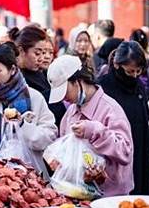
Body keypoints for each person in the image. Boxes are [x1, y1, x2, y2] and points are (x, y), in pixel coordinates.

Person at [48, 55, 134, 196]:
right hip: (78, 194)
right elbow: (65, 147)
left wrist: (95, 131)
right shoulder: (70, 112)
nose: (64, 98)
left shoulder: (110, 109)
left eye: (65, 91)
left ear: (78, 81)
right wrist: (58, 160)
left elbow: (125, 152)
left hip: (110, 197)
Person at [98, 41, 149, 195]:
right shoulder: (103, 88)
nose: (134, 76)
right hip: (115, 156)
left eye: (138, 71)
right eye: (130, 72)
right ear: (117, 65)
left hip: (140, 151)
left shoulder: (139, 87)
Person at [9, 26, 66, 127]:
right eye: (37, 53)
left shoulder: (43, 74)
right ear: (21, 51)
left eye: (43, 53)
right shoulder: (16, 80)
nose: (41, 58)